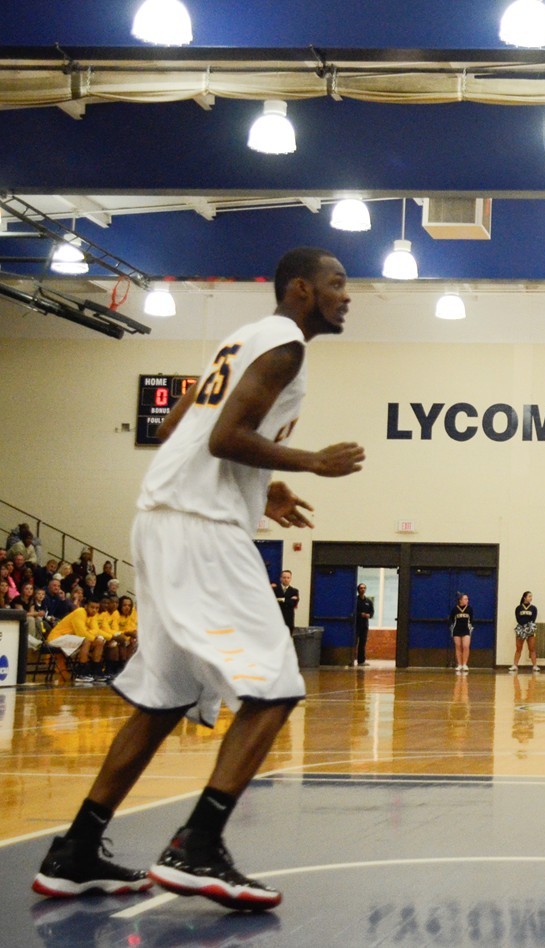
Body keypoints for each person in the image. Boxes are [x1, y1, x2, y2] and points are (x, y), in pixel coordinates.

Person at [30, 247, 363, 910]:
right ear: (300, 289)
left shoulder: (243, 339)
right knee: (274, 687)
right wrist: (309, 462)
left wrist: (260, 490)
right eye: (336, 283)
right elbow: (222, 438)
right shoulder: (286, 345)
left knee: (163, 701)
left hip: (162, 518)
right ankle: (197, 845)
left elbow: (183, 421)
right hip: (199, 528)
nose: (346, 295)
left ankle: (74, 852)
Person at [511, 591, 538, 673]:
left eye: (531, 596)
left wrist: (528, 626)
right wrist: (523, 626)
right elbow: (518, 618)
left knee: (532, 648)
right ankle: (515, 665)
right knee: (518, 648)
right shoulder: (518, 608)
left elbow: (533, 619)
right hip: (521, 629)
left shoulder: (533, 608)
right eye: (529, 596)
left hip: (530, 629)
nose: (531, 598)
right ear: (524, 597)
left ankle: (535, 666)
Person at [448, 593, 473, 672]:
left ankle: (465, 664)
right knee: (458, 646)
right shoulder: (455, 609)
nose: (467, 600)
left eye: (467, 599)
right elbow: (451, 619)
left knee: (465, 646)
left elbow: (471, 619)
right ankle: (459, 664)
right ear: (460, 600)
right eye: (465, 599)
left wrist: (470, 627)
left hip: (466, 629)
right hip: (456, 629)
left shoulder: (469, 609)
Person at [353, 582, 373, 667]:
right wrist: (360, 614)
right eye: (361, 588)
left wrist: (369, 615)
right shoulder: (355, 601)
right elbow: (353, 612)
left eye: (364, 588)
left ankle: (361, 661)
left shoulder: (368, 601)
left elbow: (372, 612)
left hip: (364, 625)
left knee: (362, 643)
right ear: (358, 590)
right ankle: (351, 660)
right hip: (356, 625)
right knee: (354, 642)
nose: (363, 589)